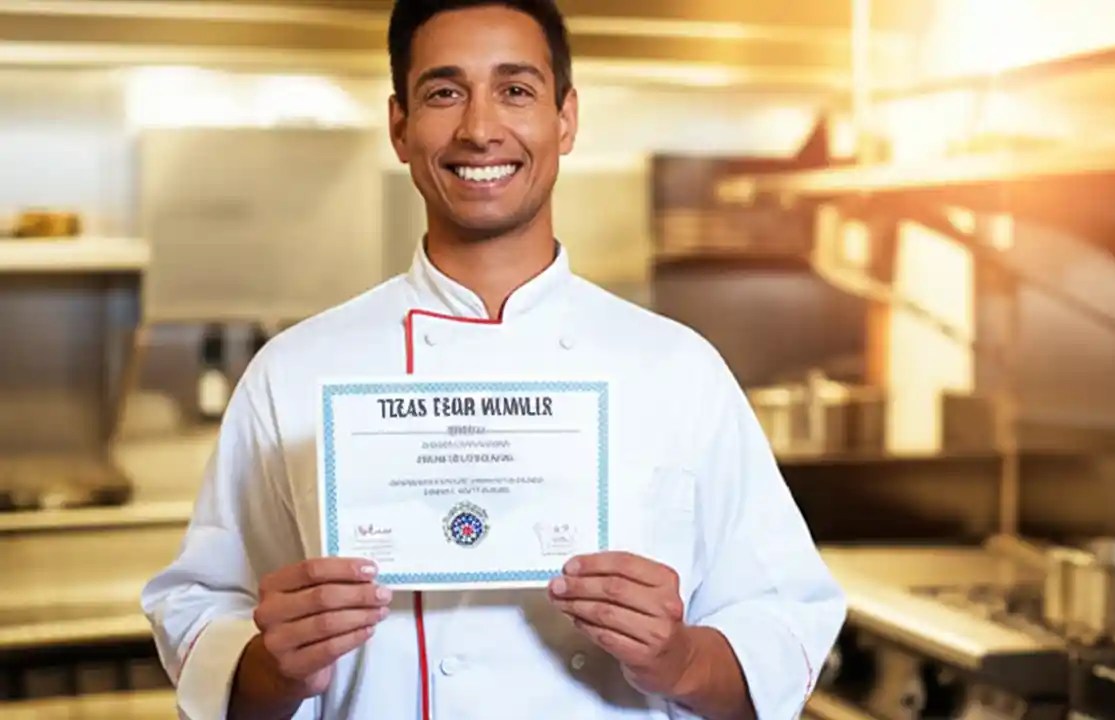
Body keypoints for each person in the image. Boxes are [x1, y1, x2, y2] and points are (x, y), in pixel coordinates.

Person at [140, 0, 846, 718]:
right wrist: (273, 668)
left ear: (565, 119)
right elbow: (201, 612)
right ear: (400, 126)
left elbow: (780, 621)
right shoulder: (294, 374)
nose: (479, 130)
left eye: (515, 90)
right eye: (445, 92)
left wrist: (681, 658)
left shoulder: (677, 370)